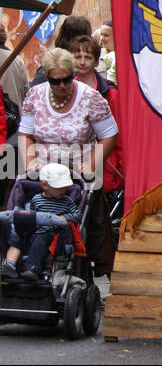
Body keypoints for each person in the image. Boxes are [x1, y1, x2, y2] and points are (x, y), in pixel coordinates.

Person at [16, 48, 116, 180]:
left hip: (78, 175)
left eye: (67, 79)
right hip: (42, 174)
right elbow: (25, 134)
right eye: (56, 81)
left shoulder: (90, 97)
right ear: (46, 77)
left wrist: (90, 165)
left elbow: (109, 134)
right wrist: (31, 162)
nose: (62, 86)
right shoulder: (35, 95)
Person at [2, 162, 79, 281]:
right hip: (36, 230)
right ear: (44, 185)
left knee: (40, 239)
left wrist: (66, 217)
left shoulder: (67, 201)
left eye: (65, 187)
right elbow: (32, 215)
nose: (63, 190)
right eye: (59, 187)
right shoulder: (36, 199)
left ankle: (32, 269)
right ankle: (10, 265)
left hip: (53, 233)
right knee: (17, 236)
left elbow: (77, 214)